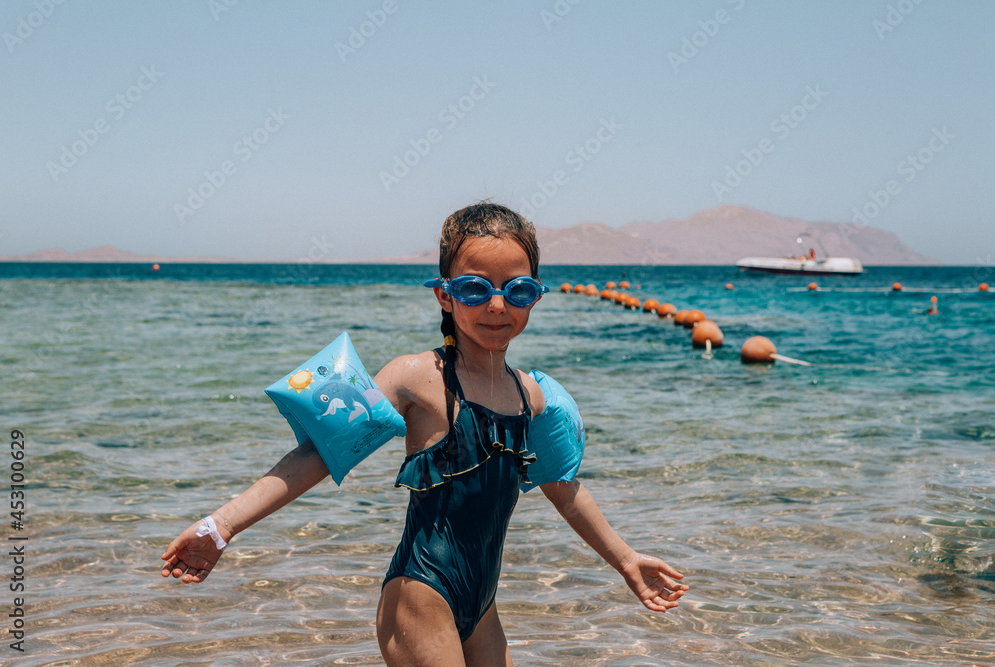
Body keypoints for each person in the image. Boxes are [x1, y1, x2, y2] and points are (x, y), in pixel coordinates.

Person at [160, 202, 688, 666]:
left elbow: (565, 490)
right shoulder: (417, 379)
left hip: (482, 606)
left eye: (518, 290)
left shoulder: (534, 395)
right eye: (475, 289)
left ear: (536, 296)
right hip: (420, 592)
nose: (497, 306)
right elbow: (316, 457)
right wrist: (219, 526)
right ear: (444, 295)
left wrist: (625, 560)